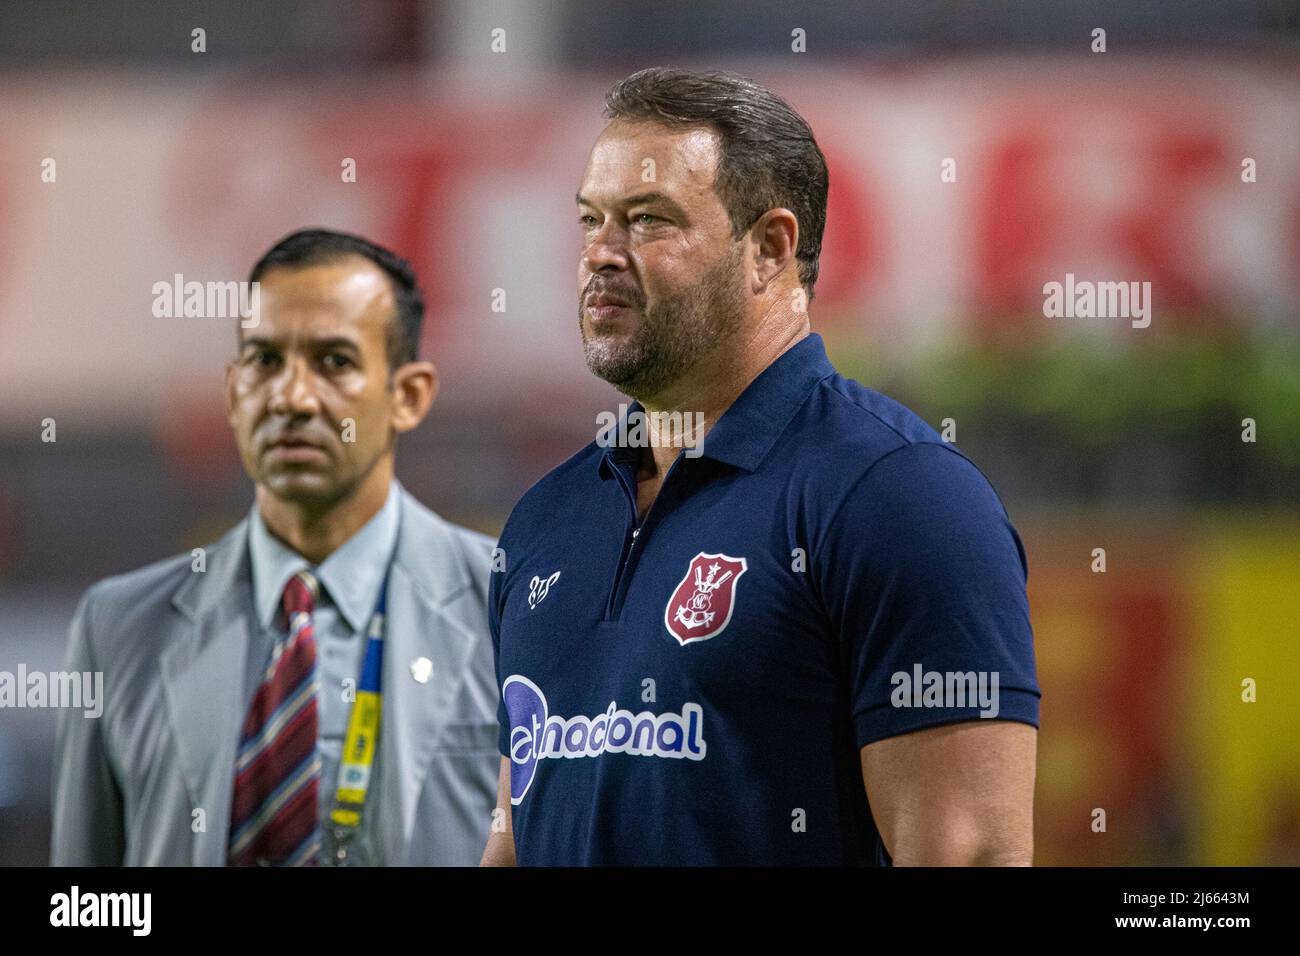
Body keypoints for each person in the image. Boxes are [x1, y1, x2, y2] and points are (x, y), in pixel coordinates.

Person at [481, 69, 1040, 866]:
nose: (601, 255)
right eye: (590, 221)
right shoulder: (543, 521)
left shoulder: (902, 498)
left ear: (770, 248)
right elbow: (515, 839)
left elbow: (970, 854)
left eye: (647, 221)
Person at [52, 228, 499, 866]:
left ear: (409, 395)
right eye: (265, 361)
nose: (291, 397)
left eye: (335, 362)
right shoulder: (117, 628)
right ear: (234, 390)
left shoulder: (511, 608)